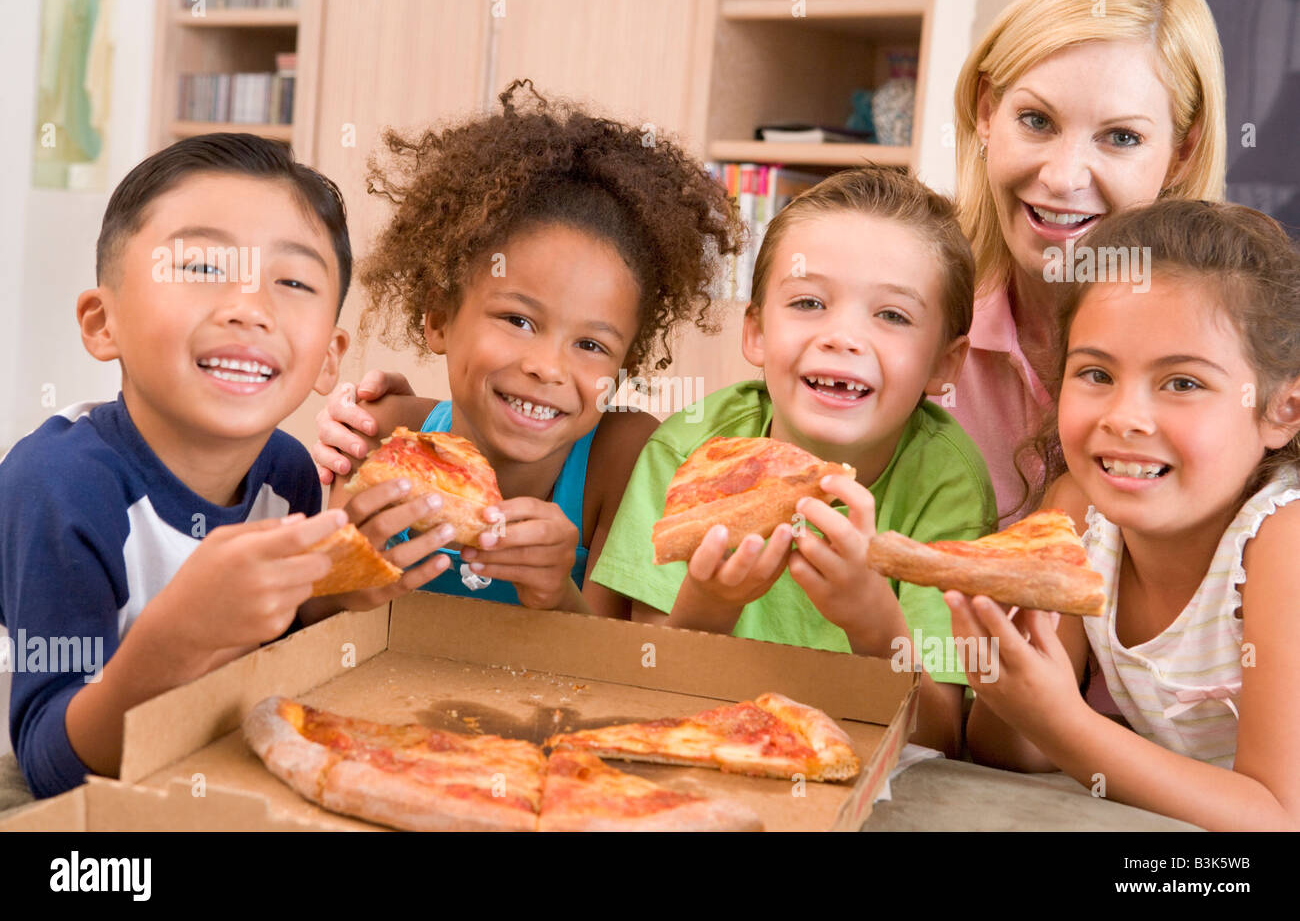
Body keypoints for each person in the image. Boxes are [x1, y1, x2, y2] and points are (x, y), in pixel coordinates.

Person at [0, 134, 448, 799]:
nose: (250, 307)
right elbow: (48, 769)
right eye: (202, 268)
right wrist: (171, 642)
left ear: (329, 356)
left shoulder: (289, 475)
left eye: (292, 281)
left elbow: (261, 662)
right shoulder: (57, 486)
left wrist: (326, 596)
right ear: (102, 323)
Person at [591, 167, 998, 756]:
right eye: (809, 302)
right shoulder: (689, 454)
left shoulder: (948, 484)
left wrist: (874, 623)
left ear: (945, 365)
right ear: (755, 330)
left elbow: (939, 739)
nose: (843, 337)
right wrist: (713, 602)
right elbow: (650, 686)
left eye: (892, 316)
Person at [308, 81, 745, 616]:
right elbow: (313, 630)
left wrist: (558, 593)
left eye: (590, 344)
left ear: (622, 372)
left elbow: (620, 669)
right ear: (439, 317)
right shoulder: (380, 439)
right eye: (518, 320)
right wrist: (344, 581)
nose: (546, 367)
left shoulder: (622, 458)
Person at [951, 200, 1300, 830]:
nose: (1124, 417)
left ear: (1283, 411)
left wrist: (1065, 720)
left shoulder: (1281, 546)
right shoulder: (1078, 516)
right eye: (1096, 373)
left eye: (1183, 383)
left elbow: (1276, 817)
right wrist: (1009, 665)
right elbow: (1015, 754)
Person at [946, 0, 1226, 521]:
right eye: (1036, 120)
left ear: (1182, 154)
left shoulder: (1234, 359)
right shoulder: (909, 322)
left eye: (1121, 137)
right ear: (985, 111)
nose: (1064, 177)